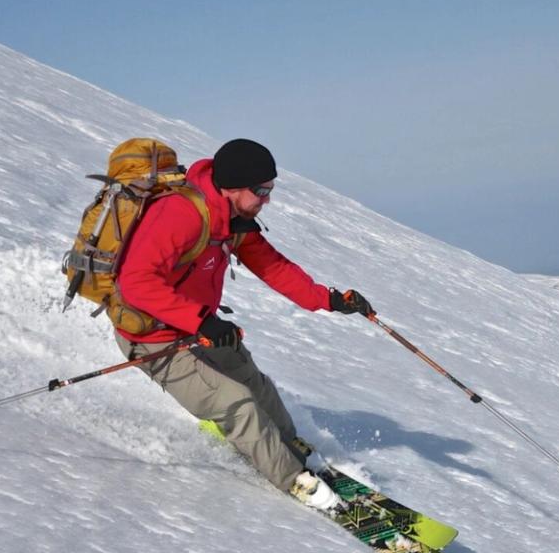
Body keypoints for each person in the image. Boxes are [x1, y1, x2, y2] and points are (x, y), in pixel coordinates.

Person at [112, 138, 375, 509]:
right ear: (233, 187)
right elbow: (135, 282)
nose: (267, 199)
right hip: (152, 335)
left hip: (198, 326)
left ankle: (291, 447)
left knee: (256, 385)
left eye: (269, 189)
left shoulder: (231, 220)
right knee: (238, 403)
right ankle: (297, 483)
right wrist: (199, 320)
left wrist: (327, 299)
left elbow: (272, 266)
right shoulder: (180, 214)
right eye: (261, 190)